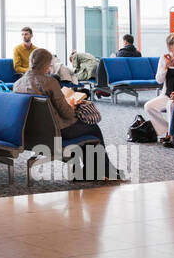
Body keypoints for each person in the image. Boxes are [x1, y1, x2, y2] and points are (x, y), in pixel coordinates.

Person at [14, 48, 119, 180]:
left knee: (86, 130)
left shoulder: (17, 84)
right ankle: (102, 171)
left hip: (32, 134)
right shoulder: (49, 82)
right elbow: (67, 114)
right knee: (92, 128)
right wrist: (74, 105)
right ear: (46, 64)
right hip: (55, 132)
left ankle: (90, 171)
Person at [143, 33, 174, 141]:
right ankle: (167, 129)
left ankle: (171, 136)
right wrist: (165, 66)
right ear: (169, 47)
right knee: (149, 106)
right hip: (167, 94)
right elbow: (159, 80)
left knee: (170, 105)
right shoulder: (164, 59)